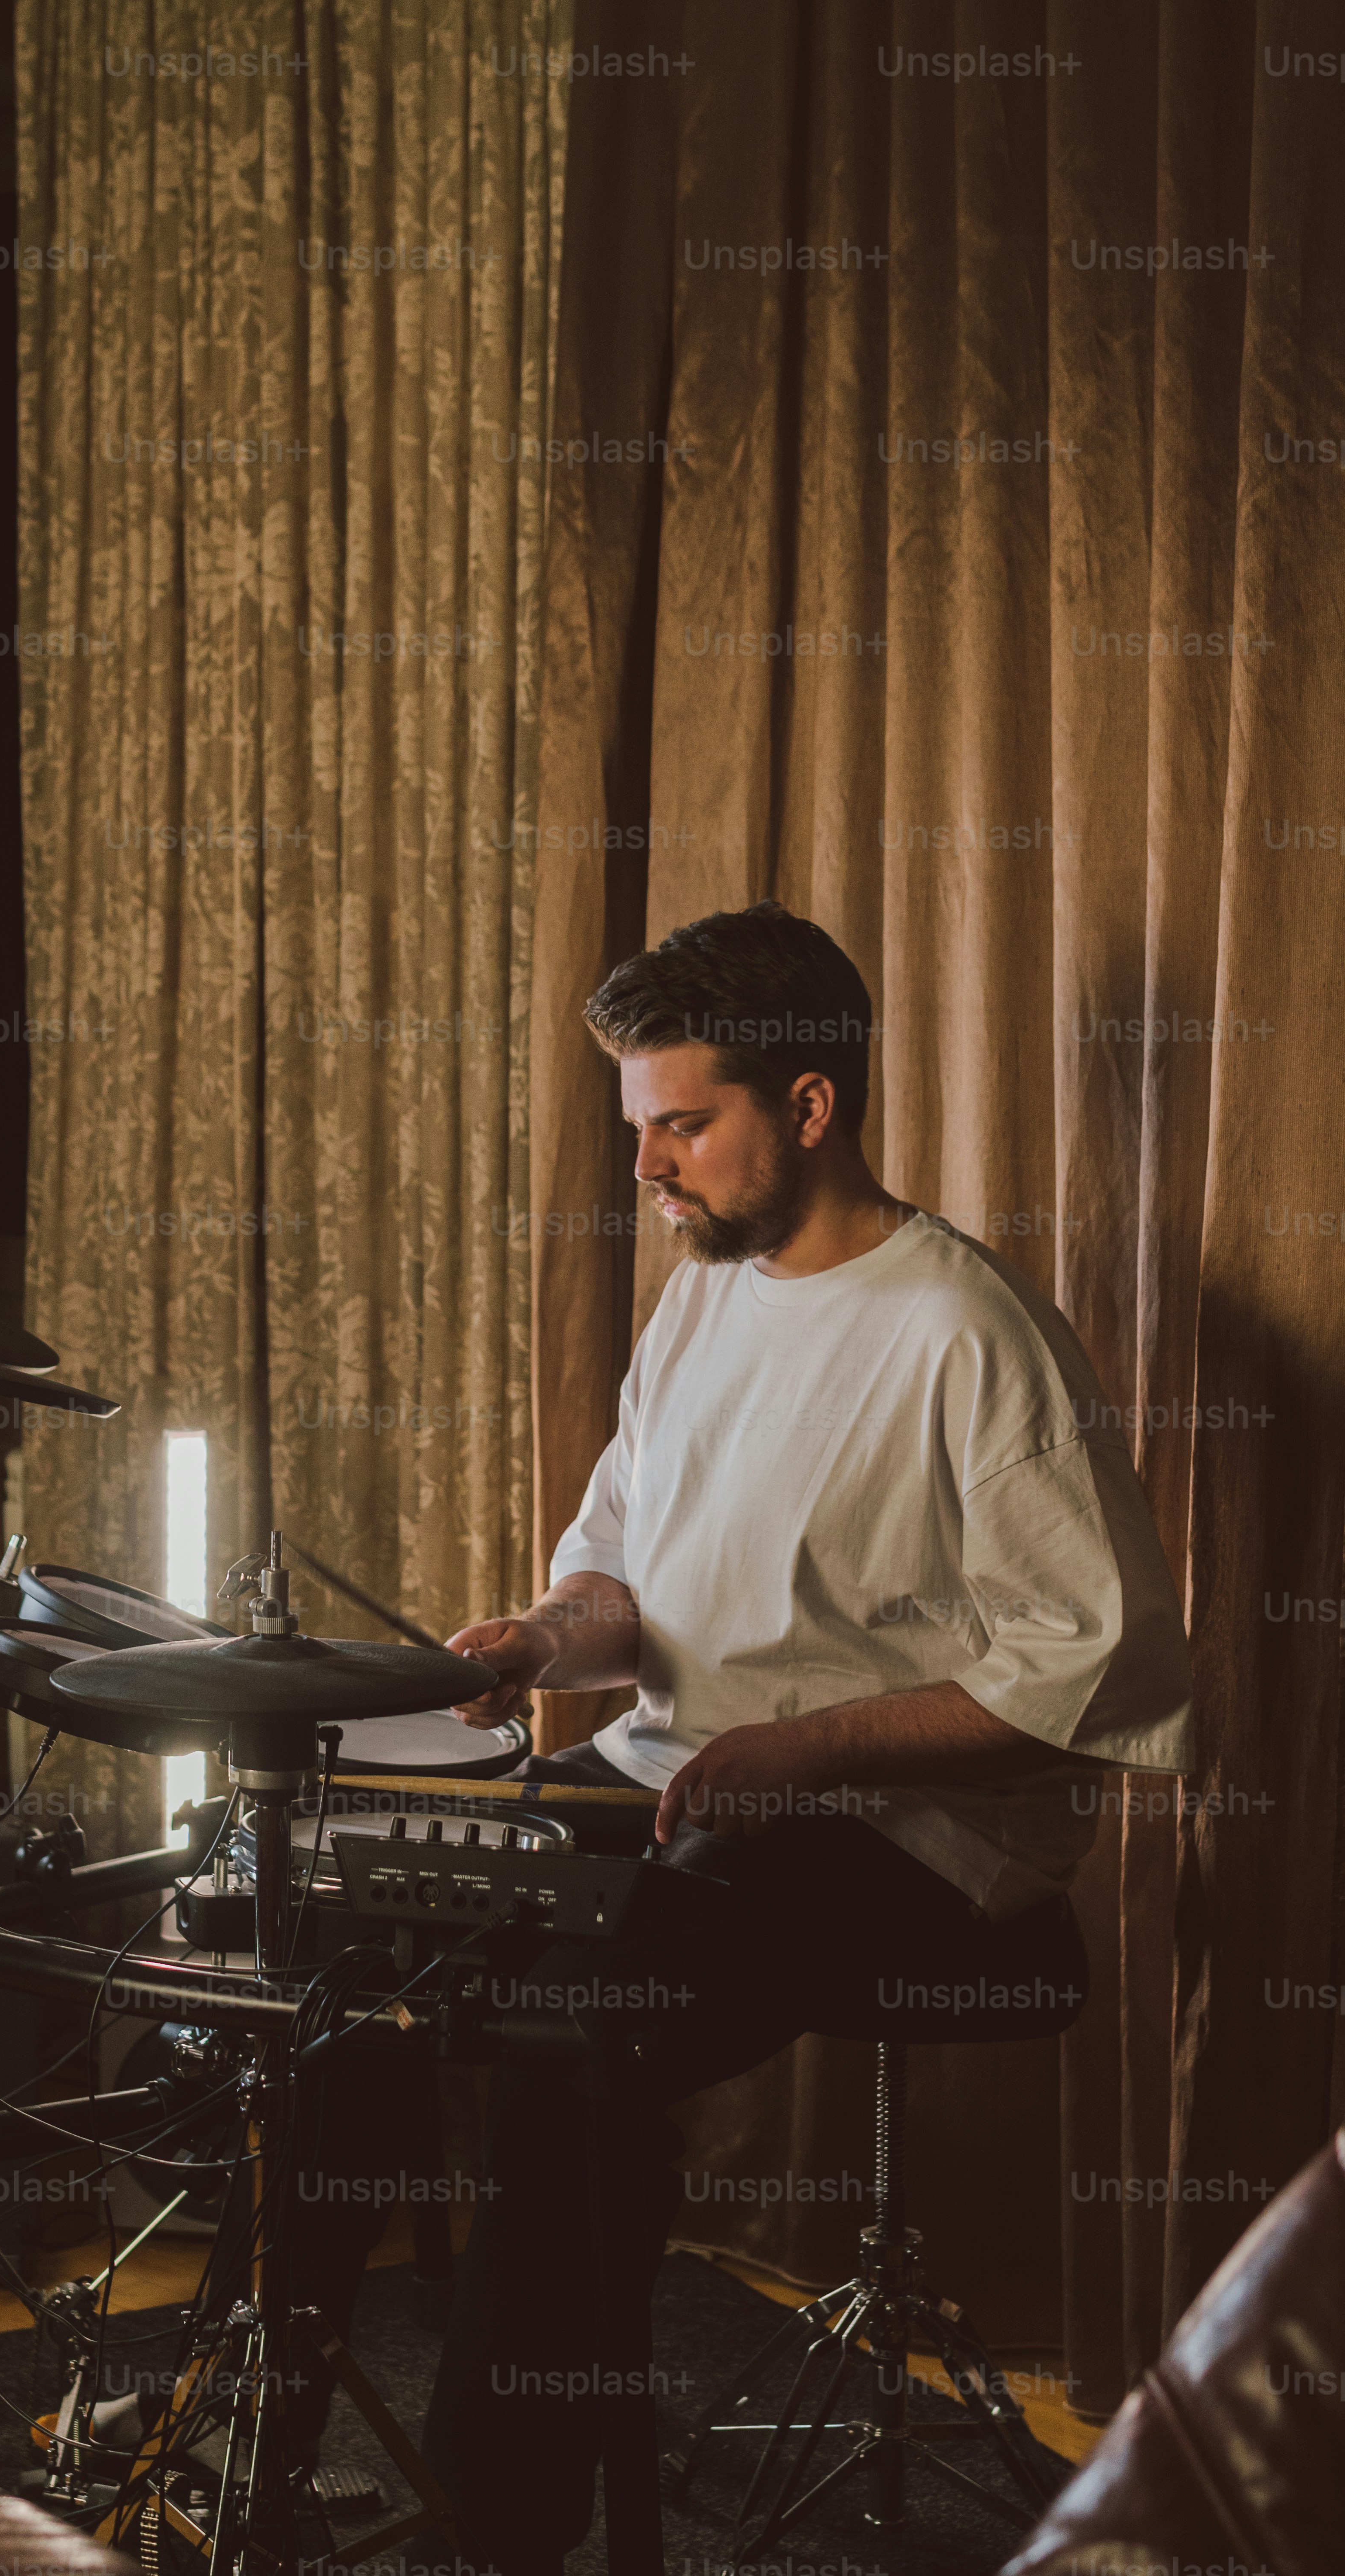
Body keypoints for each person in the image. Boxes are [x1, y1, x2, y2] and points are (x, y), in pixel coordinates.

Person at [405, 899, 1192, 2574]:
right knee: (349, 1939)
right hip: (678, 1777)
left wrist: (808, 1752)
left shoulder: (965, 1334)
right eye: (641, 1130)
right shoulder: (702, 1298)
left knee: (566, 2054)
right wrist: (545, 1643)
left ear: (810, 1107)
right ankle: (326, 2452)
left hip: (916, 1835)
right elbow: (617, 1583)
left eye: (682, 1124)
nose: (651, 1169)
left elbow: (1093, 1666)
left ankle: (506, 2541)